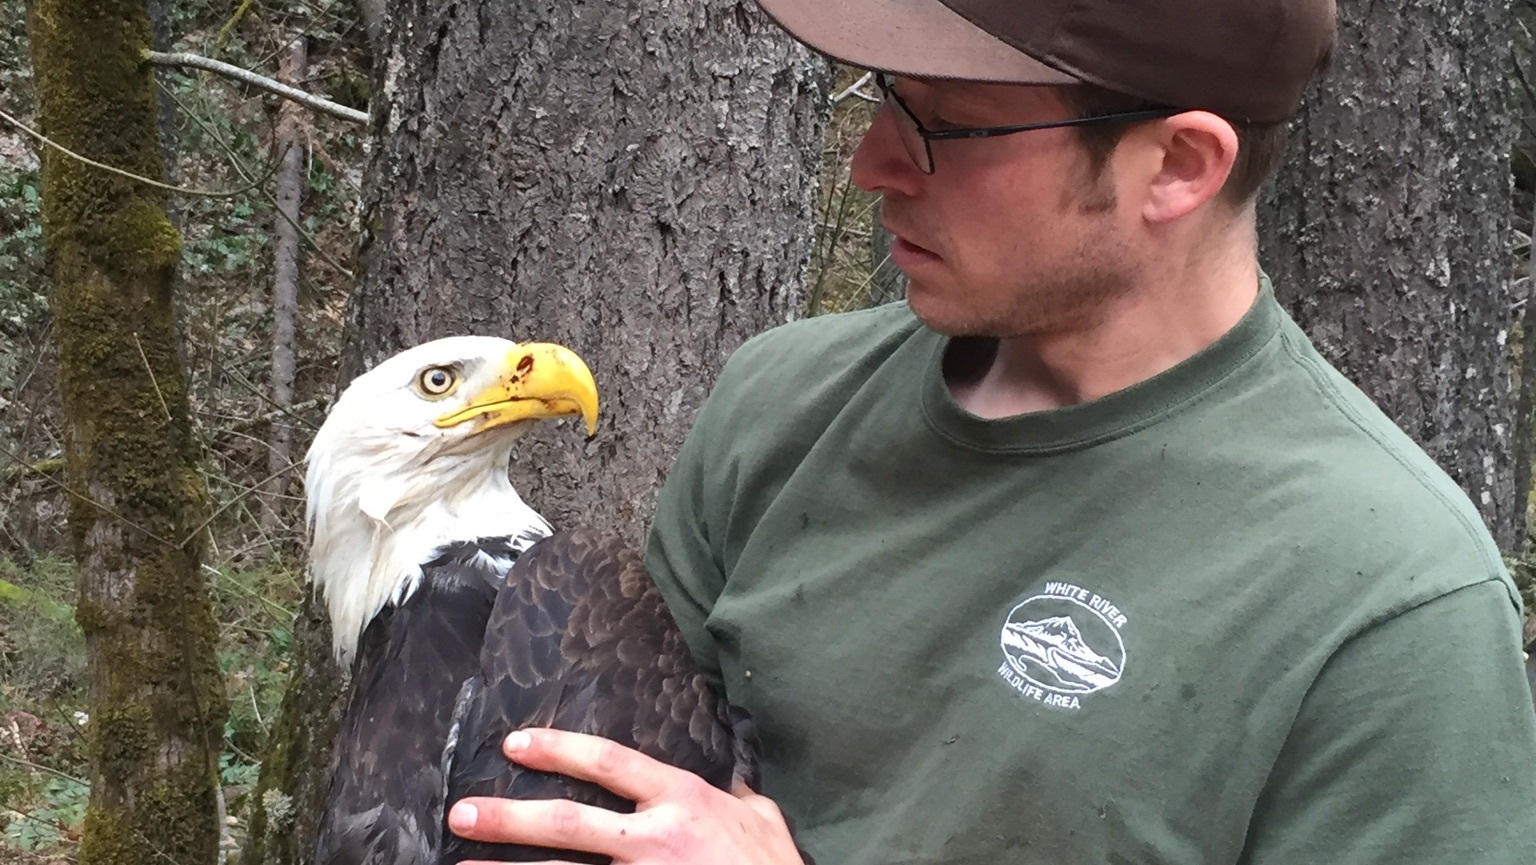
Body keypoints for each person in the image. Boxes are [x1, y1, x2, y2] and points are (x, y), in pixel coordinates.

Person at [447, 0, 1536, 862]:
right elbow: (615, 800)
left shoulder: (1388, 601)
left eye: (948, 125)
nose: (872, 161)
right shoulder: (784, 407)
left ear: (1177, 166)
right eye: (886, 99)